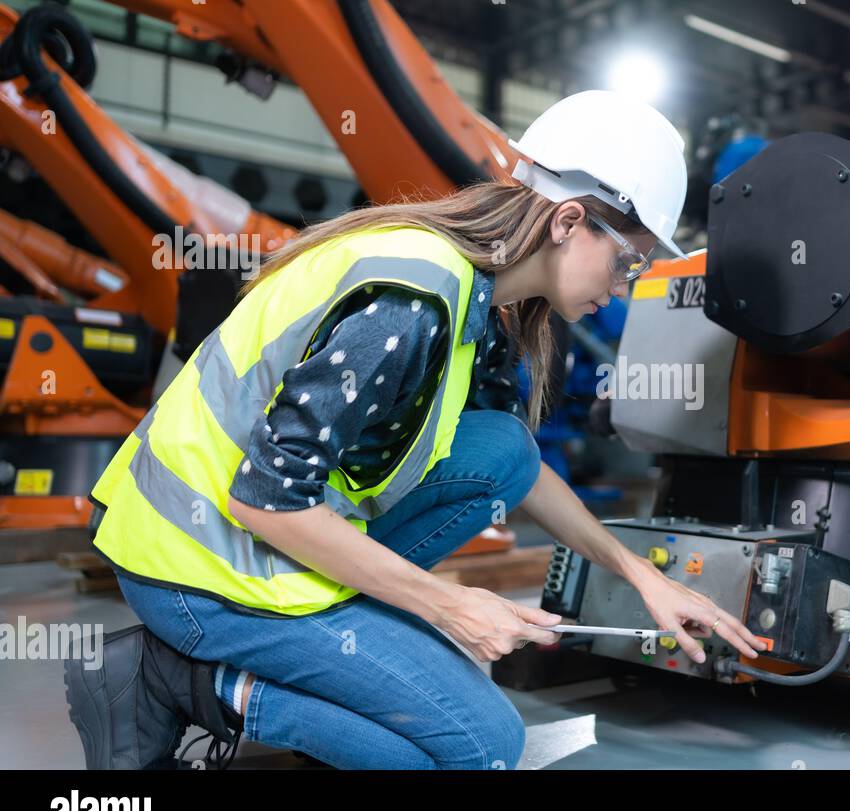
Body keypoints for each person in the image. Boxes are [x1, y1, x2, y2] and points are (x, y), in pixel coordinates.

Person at [64, 90, 765, 770]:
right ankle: (179, 682)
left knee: (506, 450)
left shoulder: (474, 297)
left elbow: (517, 470)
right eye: (627, 261)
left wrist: (640, 574)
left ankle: (343, 657)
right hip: (195, 568)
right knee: (482, 747)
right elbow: (263, 500)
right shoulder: (412, 299)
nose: (623, 286)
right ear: (567, 220)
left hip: (253, 543)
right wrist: (449, 606)